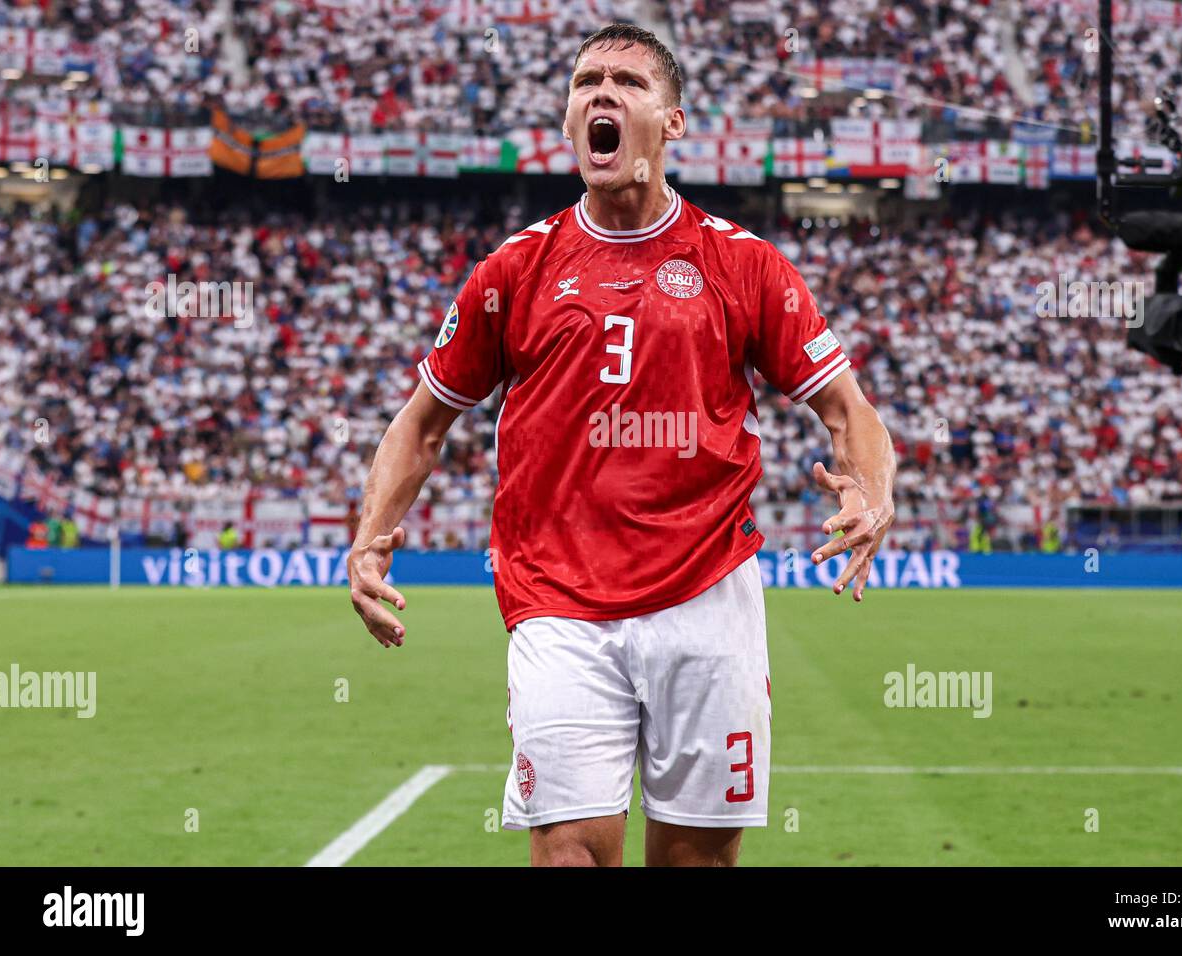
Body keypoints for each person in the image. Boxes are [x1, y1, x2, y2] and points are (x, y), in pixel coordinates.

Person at [347, 24, 896, 868]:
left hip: (706, 597)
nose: (600, 95)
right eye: (585, 82)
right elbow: (421, 421)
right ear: (569, 122)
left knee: (695, 862)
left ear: (671, 122)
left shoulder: (743, 265)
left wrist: (869, 489)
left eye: (627, 83)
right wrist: (370, 538)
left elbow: (848, 409)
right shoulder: (514, 270)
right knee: (569, 854)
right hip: (558, 600)